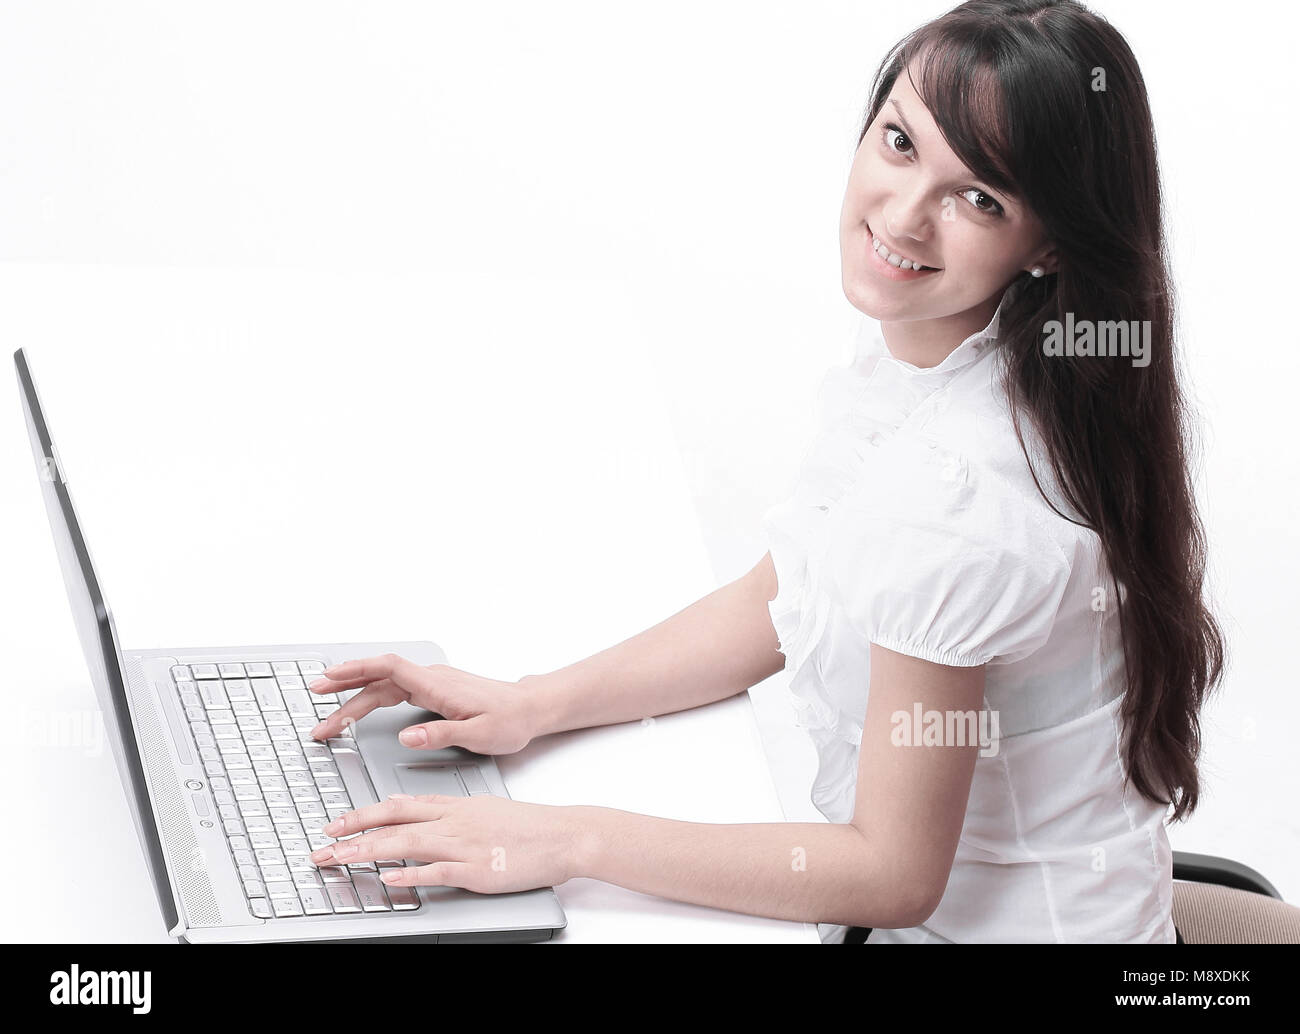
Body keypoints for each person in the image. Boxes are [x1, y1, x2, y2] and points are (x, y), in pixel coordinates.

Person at [304, 0, 1226, 943]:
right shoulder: (960, 364)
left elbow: (891, 873)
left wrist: (565, 838)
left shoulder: (957, 501)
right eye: (901, 143)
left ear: (1051, 243)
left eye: (979, 198)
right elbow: (788, 591)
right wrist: (533, 703)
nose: (905, 218)